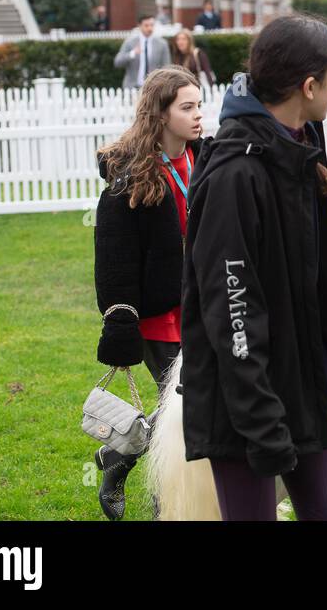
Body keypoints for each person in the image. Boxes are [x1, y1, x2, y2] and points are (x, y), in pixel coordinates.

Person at [179, 14, 327, 521]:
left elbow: (315, 272)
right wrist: (262, 423)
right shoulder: (235, 175)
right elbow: (231, 309)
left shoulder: (297, 154)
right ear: (308, 86)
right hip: (246, 409)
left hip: (306, 391)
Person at [92, 66, 204, 520]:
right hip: (159, 318)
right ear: (160, 115)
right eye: (187, 107)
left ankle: (119, 455)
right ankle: (166, 508)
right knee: (178, 421)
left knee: (186, 412)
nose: (199, 115)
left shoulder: (204, 158)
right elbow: (114, 259)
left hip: (203, 307)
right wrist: (120, 322)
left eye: (199, 104)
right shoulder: (130, 177)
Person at [113, 14, 172, 91]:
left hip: (154, 88)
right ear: (139, 26)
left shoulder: (162, 43)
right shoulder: (130, 42)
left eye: (152, 25)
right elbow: (117, 62)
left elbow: (167, 66)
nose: (150, 28)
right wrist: (132, 53)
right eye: (146, 25)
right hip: (132, 87)